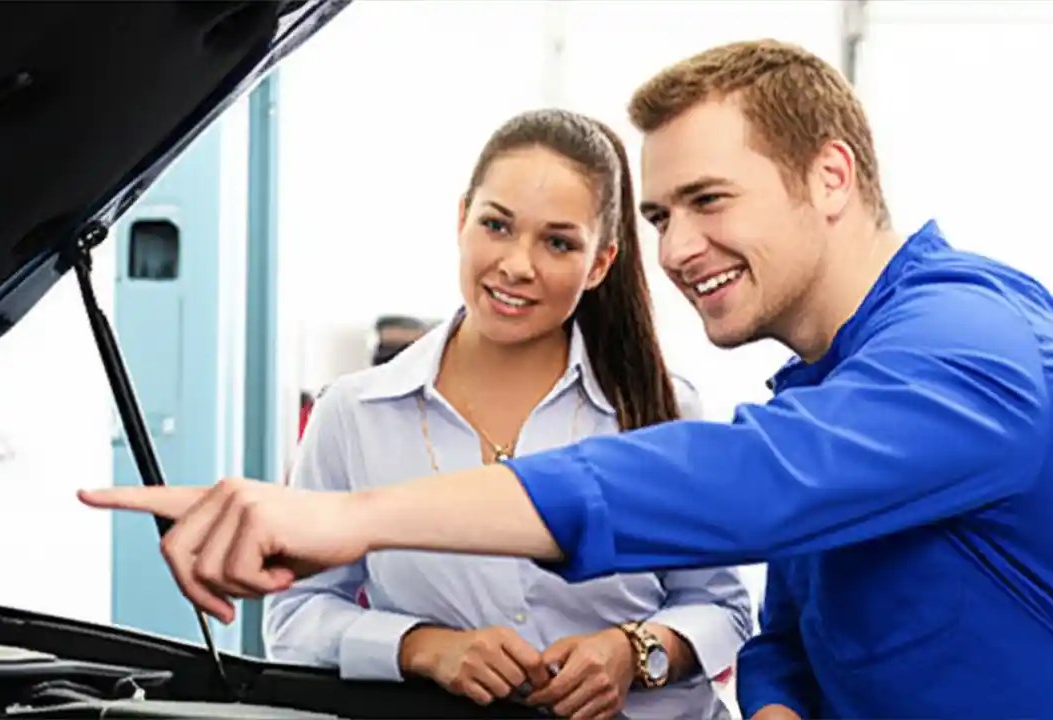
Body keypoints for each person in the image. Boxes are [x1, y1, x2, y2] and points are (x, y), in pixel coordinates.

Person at [79, 39, 1053, 720]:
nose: (679, 247)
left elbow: (735, 485)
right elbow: (790, 630)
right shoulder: (830, 382)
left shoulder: (974, 348)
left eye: (708, 199)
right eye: (658, 216)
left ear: (829, 175)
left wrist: (348, 517)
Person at [262, 108, 751, 720]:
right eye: (497, 225)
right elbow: (295, 617)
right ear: (462, 218)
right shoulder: (354, 414)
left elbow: (724, 608)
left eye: (558, 242)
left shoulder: (664, 410)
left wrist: (634, 651)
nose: (517, 265)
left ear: (600, 263)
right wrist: (420, 646)